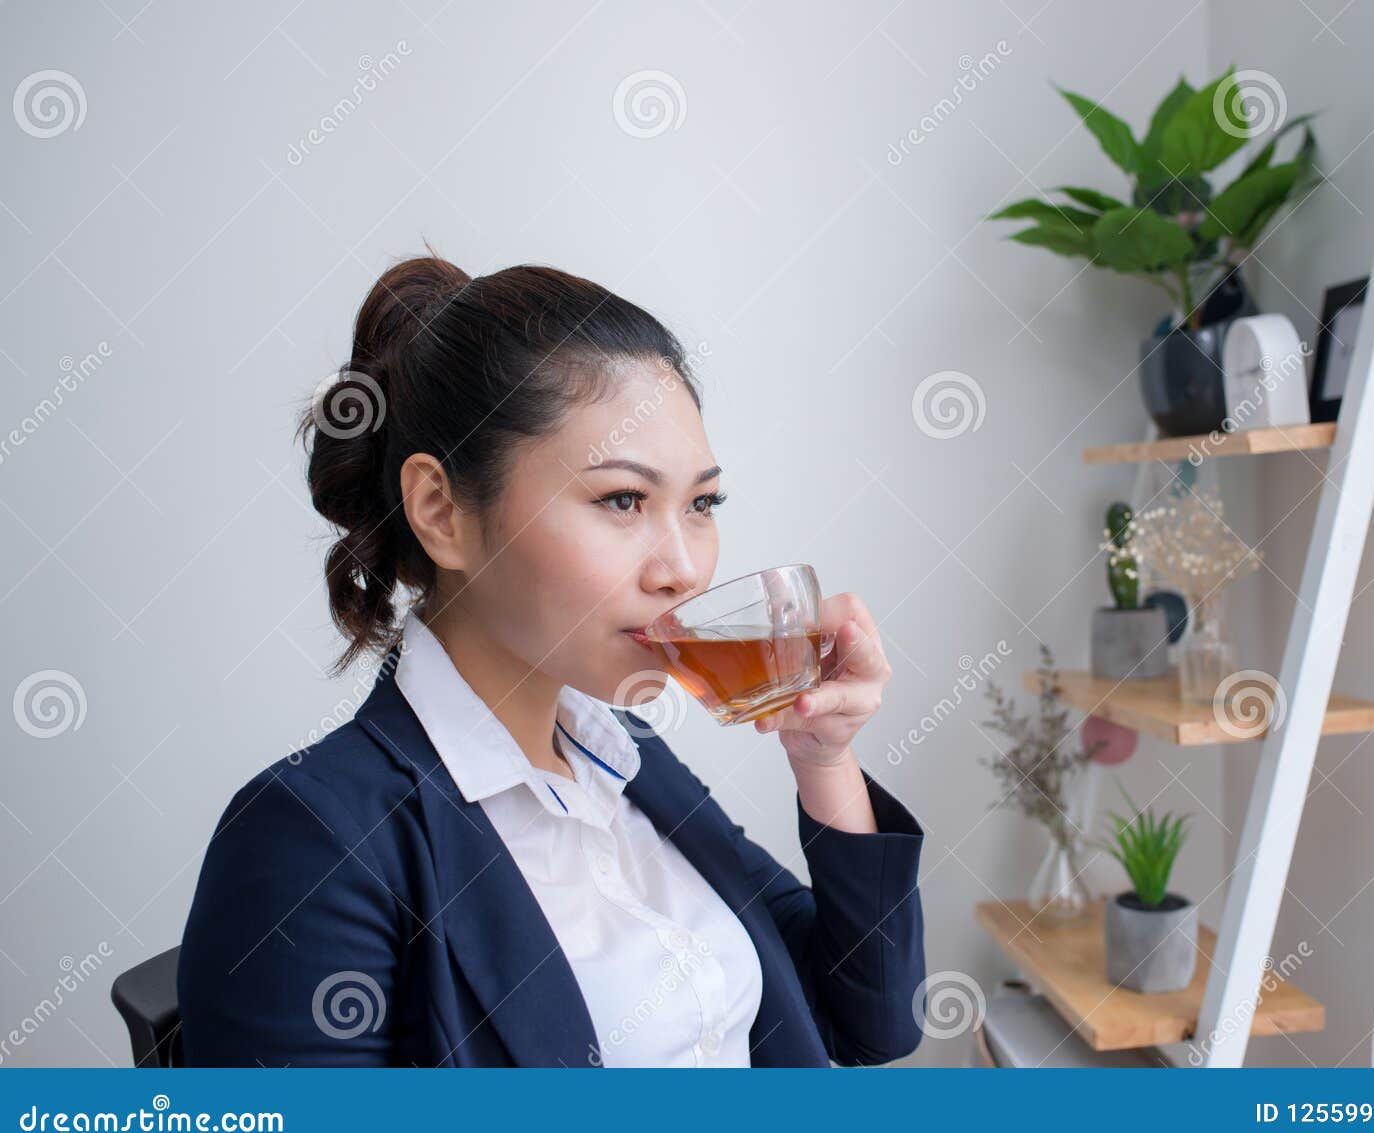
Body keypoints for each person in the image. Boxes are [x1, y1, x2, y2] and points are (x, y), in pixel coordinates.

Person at [176, 250, 928, 1067]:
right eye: (621, 500)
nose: (682, 567)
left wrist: (824, 759)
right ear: (441, 513)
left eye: (702, 504)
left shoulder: (628, 763)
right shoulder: (312, 842)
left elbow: (869, 1021)